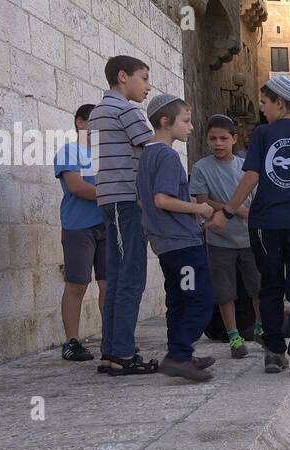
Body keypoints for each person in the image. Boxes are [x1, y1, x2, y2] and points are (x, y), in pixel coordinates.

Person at [220, 76, 290, 377]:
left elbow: (251, 177)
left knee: (269, 287)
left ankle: (273, 353)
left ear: (279, 103)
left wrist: (229, 210)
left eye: (264, 103)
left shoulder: (263, 135)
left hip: (265, 224)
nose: (262, 110)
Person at [136, 95, 219, 382]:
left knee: (179, 301)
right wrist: (199, 208)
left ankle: (179, 351)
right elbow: (161, 199)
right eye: (186, 121)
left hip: (164, 244)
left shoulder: (146, 155)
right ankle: (179, 355)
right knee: (200, 299)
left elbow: (143, 201)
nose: (191, 127)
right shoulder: (168, 156)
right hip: (183, 245)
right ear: (165, 122)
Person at [89, 55, 158, 376]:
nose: (147, 86)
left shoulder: (98, 112)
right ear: (122, 77)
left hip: (109, 200)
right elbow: (153, 150)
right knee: (131, 276)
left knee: (117, 278)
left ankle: (111, 352)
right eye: (143, 78)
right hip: (126, 201)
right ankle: (123, 353)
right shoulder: (127, 110)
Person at [191, 114, 263, 359]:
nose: (218, 143)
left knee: (258, 288)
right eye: (213, 139)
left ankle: (261, 327)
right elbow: (202, 201)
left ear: (234, 138)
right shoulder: (201, 167)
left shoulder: (246, 168)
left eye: (223, 138)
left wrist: (233, 209)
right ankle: (233, 336)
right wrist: (235, 208)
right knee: (224, 292)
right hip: (219, 241)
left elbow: (254, 205)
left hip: (249, 239)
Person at [54, 104, 107, 362]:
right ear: (80, 123)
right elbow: (76, 187)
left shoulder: (105, 156)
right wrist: (112, 195)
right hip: (78, 226)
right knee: (77, 284)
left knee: (109, 284)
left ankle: (112, 338)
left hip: (107, 226)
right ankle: (72, 342)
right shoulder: (69, 151)